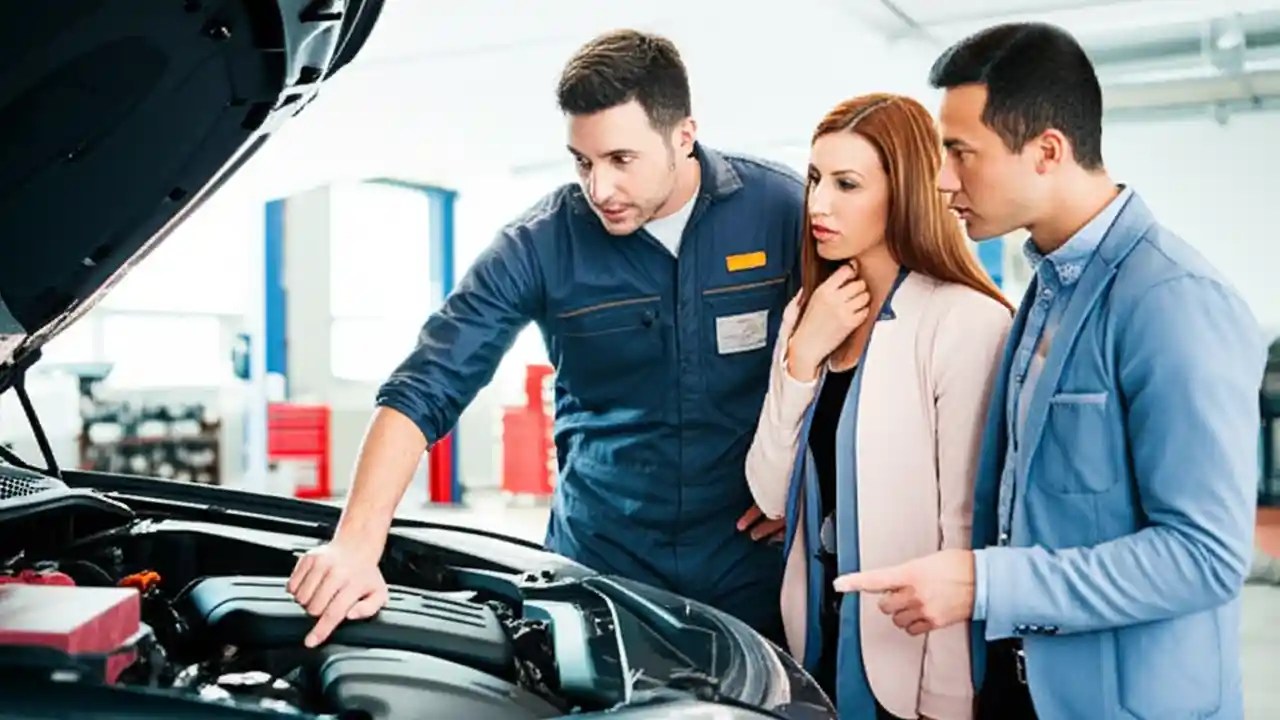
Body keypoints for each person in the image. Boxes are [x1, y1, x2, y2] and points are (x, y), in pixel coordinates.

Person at [286, 29, 806, 647]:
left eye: (621, 160)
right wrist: (355, 543)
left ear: (683, 136)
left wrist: (807, 495)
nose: (600, 189)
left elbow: (854, 365)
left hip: (748, 569)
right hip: (601, 569)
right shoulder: (540, 244)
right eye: (582, 161)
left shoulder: (780, 210)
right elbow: (428, 383)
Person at [832, 22, 1267, 720]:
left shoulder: (1173, 300)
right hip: (1021, 684)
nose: (943, 180)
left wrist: (986, 583)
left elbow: (1205, 558)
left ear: (1047, 151)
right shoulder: (1045, 286)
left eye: (961, 153)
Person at [743, 93, 1013, 719]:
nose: (817, 203)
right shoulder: (806, 315)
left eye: (846, 184)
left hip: (913, 664)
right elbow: (769, 493)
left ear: (905, 192)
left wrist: (947, 700)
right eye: (814, 179)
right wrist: (802, 359)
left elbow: (964, 532)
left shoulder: (964, 321)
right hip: (815, 644)